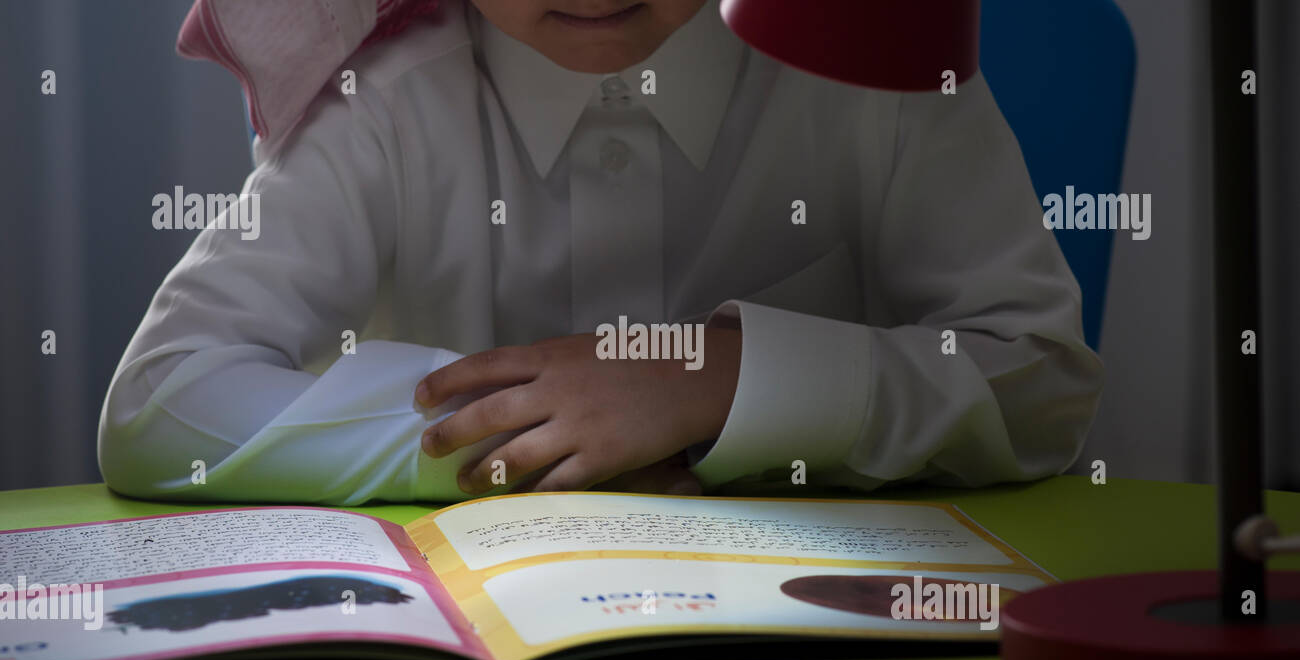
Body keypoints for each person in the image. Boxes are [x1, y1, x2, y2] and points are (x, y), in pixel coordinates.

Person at [98, 0, 1103, 505]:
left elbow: (1039, 377)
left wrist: (726, 375)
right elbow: (160, 405)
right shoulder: (386, 105)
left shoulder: (864, 60)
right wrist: (514, 438)